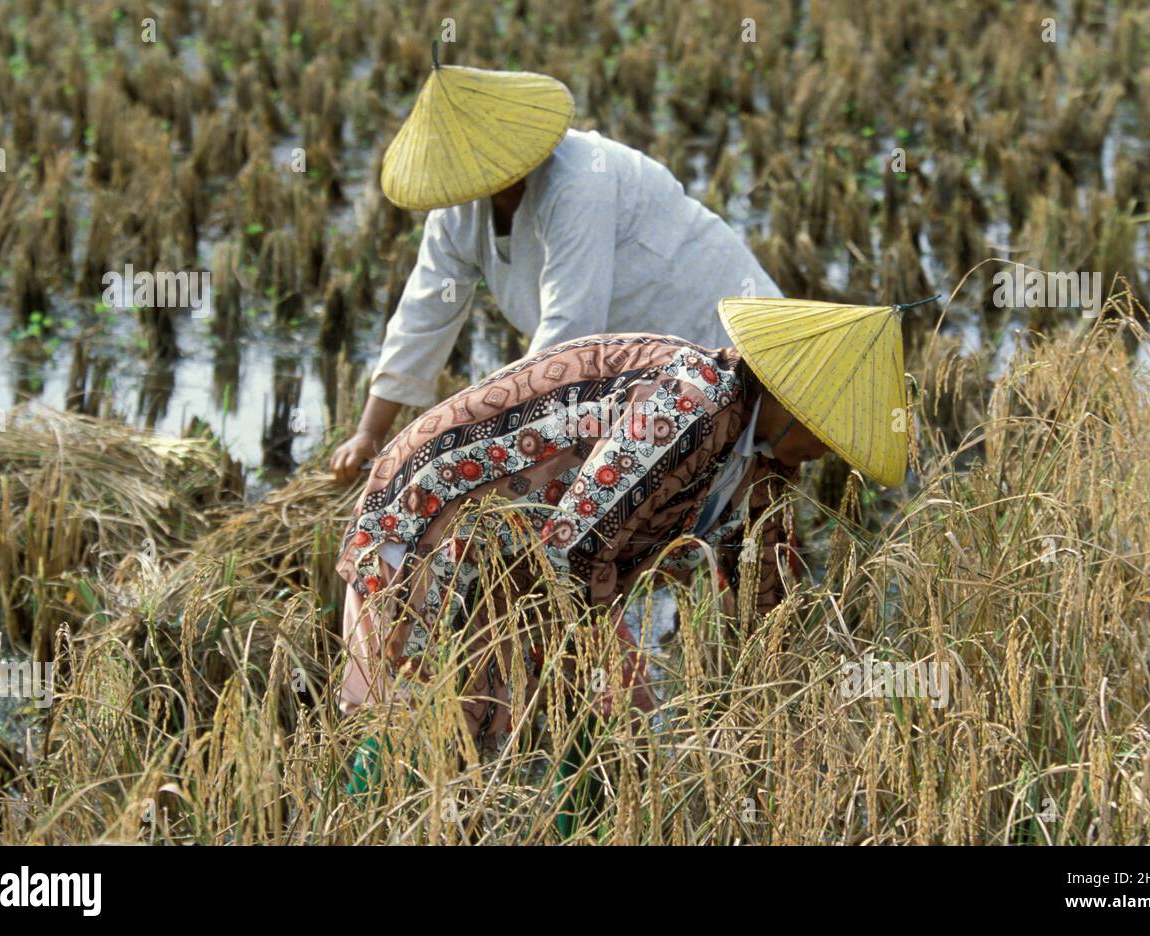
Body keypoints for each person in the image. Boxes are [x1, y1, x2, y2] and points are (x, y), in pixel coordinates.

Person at [334, 297, 910, 752]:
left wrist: (772, 693)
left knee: (503, 731)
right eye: (832, 439)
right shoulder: (691, 405)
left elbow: (758, 578)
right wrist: (617, 672)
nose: (830, 455)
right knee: (415, 729)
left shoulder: (765, 457)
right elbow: (574, 549)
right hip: (439, 517)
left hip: (522, 556)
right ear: (797, 406)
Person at [330, 52, 781, 483]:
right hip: (639, 367)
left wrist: (488, 438)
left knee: (731, 487)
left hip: (717, 336)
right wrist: (371, 433)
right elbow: (423, 316)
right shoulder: (456, 213)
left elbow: (570, 332)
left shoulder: (581, 180)